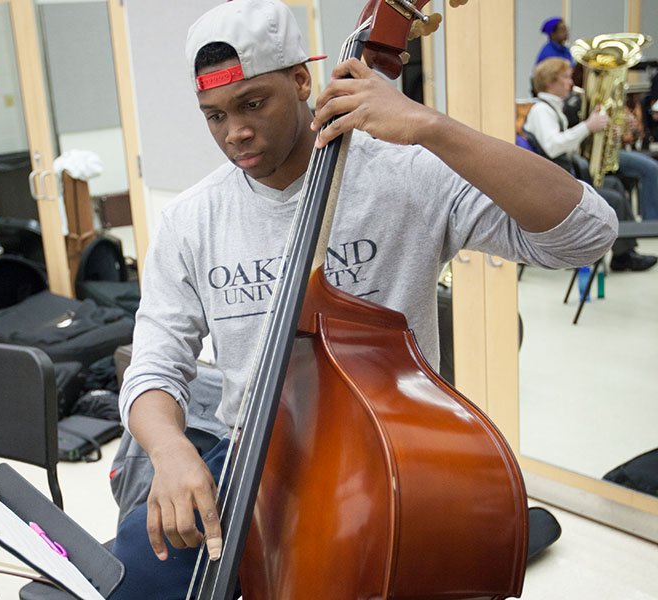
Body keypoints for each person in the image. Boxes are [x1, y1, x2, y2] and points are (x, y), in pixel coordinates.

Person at [108, 2, 617, 597]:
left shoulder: (406, 175)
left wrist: (431, 127)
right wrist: (169, 448)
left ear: (302, 80)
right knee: (126, 582)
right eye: (214, 115)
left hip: (389, 466)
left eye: (252, 104)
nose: (234, 132)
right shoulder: (192, 220)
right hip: (256, 464)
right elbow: (154, 365)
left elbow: (589, 234)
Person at [524, 57, 658, 271]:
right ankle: (623, 256)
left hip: (563, 173)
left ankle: (624, 252)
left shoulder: (552, 108)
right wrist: (588, 126)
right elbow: (553, 146)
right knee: (612, 197)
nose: (570, 82)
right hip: (554, 183)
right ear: (550, 82)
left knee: (614, 185)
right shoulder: (542, 111)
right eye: (565, 78)